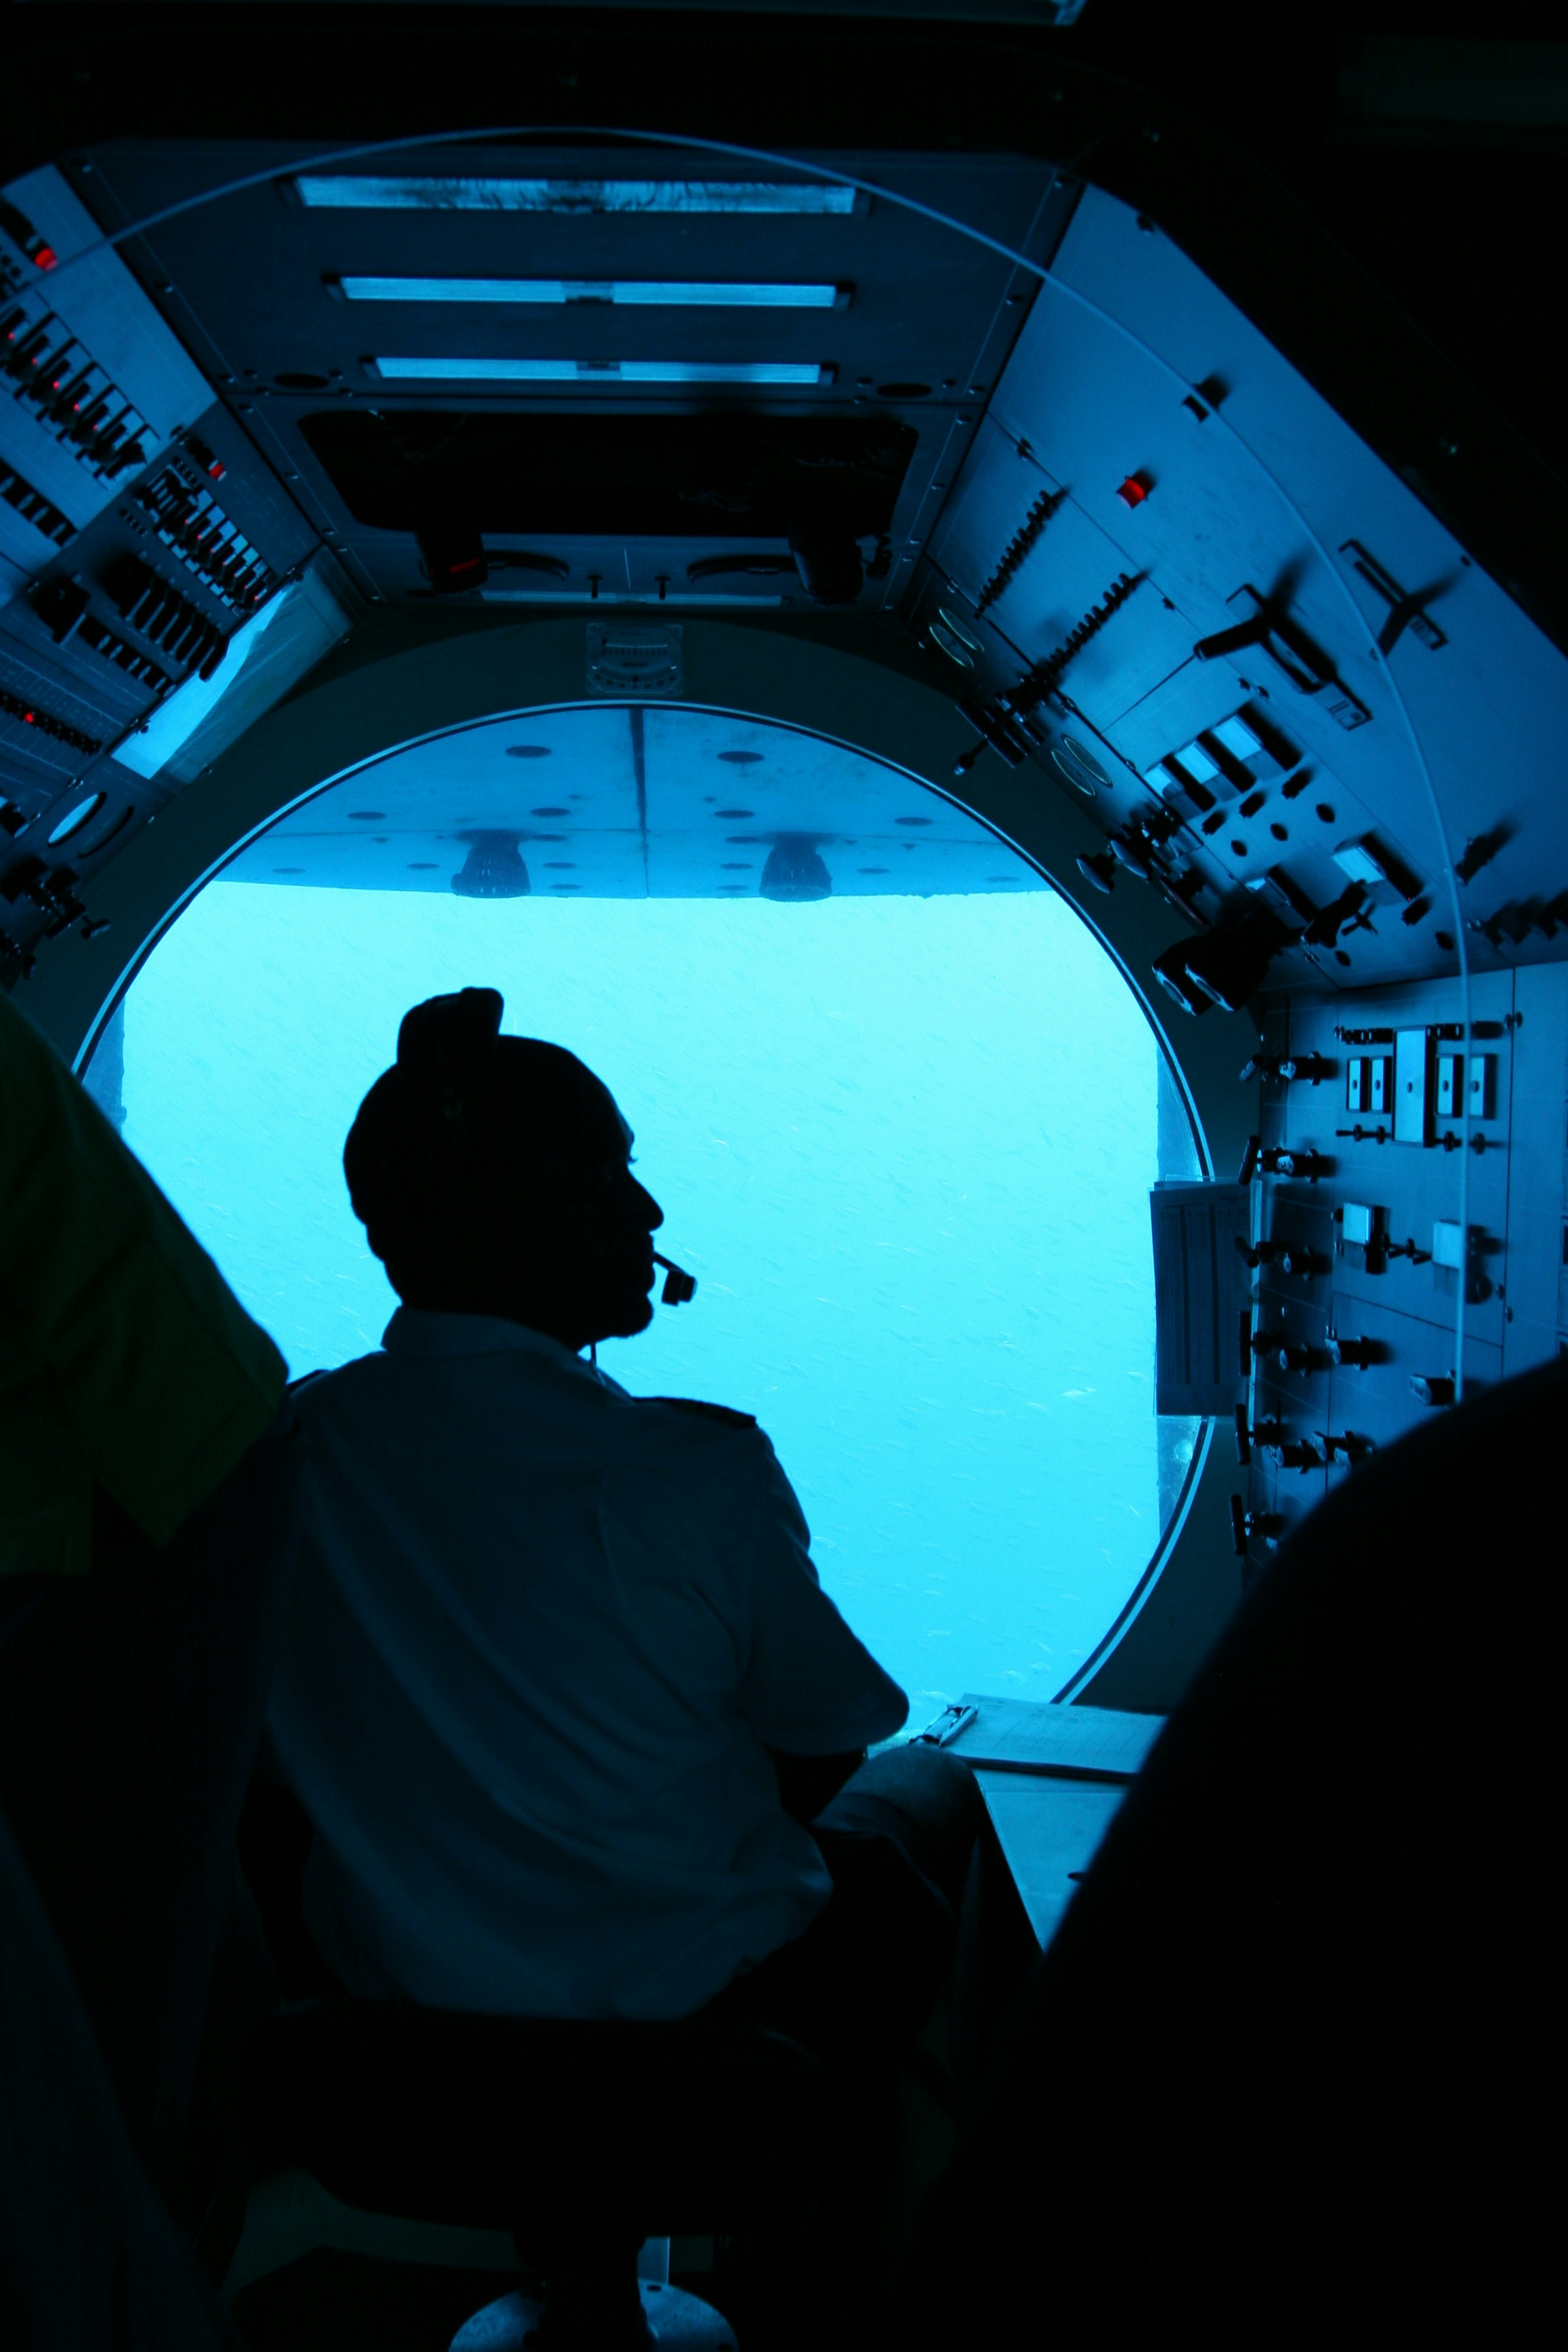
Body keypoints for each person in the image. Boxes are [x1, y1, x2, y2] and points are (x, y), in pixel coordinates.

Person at [262, 987, 979, 2071]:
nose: (646, 1213)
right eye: (607, 1174)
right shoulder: (691, 1468)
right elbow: (830, 1736)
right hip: (702, 2037)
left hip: (388, 2036)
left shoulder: (291, 1442)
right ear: (519, 1213)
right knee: (937, 1783)